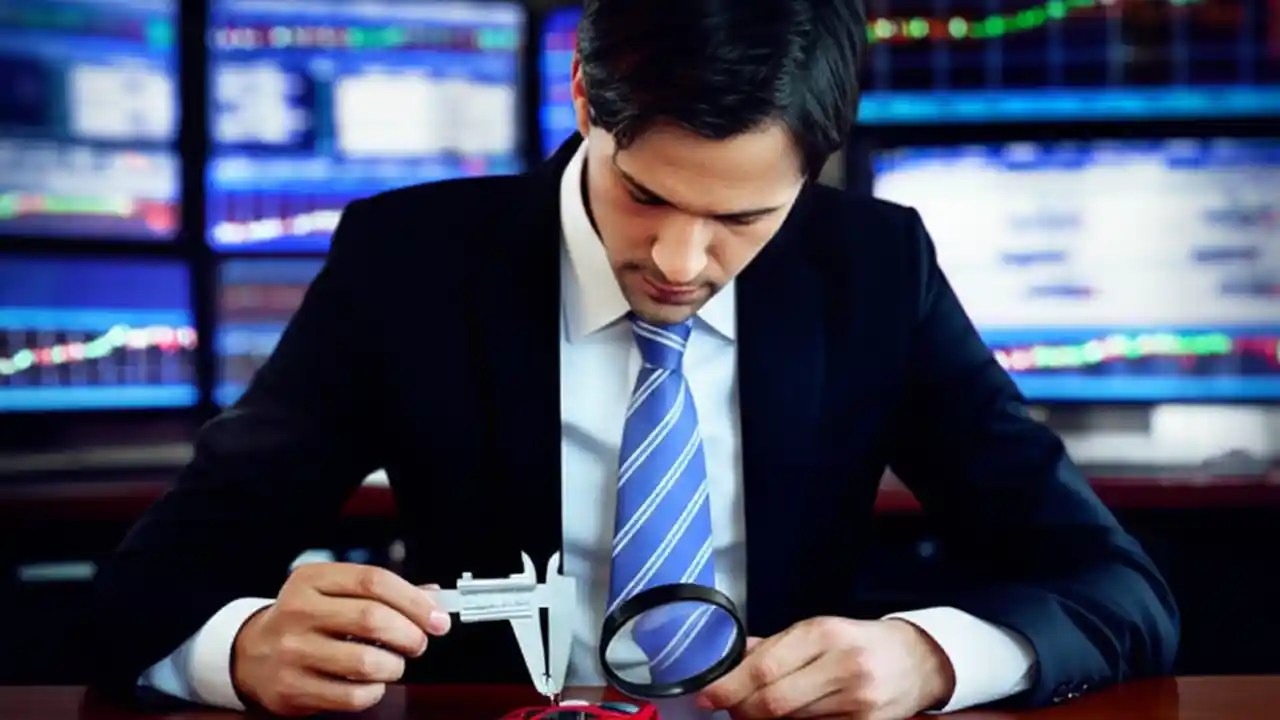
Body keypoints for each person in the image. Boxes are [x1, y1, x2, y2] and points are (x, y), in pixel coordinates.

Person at [88, 0, 1179, 717]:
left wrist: (929, 658)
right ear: (582, 100)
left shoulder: (872, 267)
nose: (675, 261)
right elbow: (142, 591)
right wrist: (236, 650)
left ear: (816, 169)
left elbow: (1113, 592)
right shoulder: (409, 261)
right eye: (642, 193)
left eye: (742, 217)